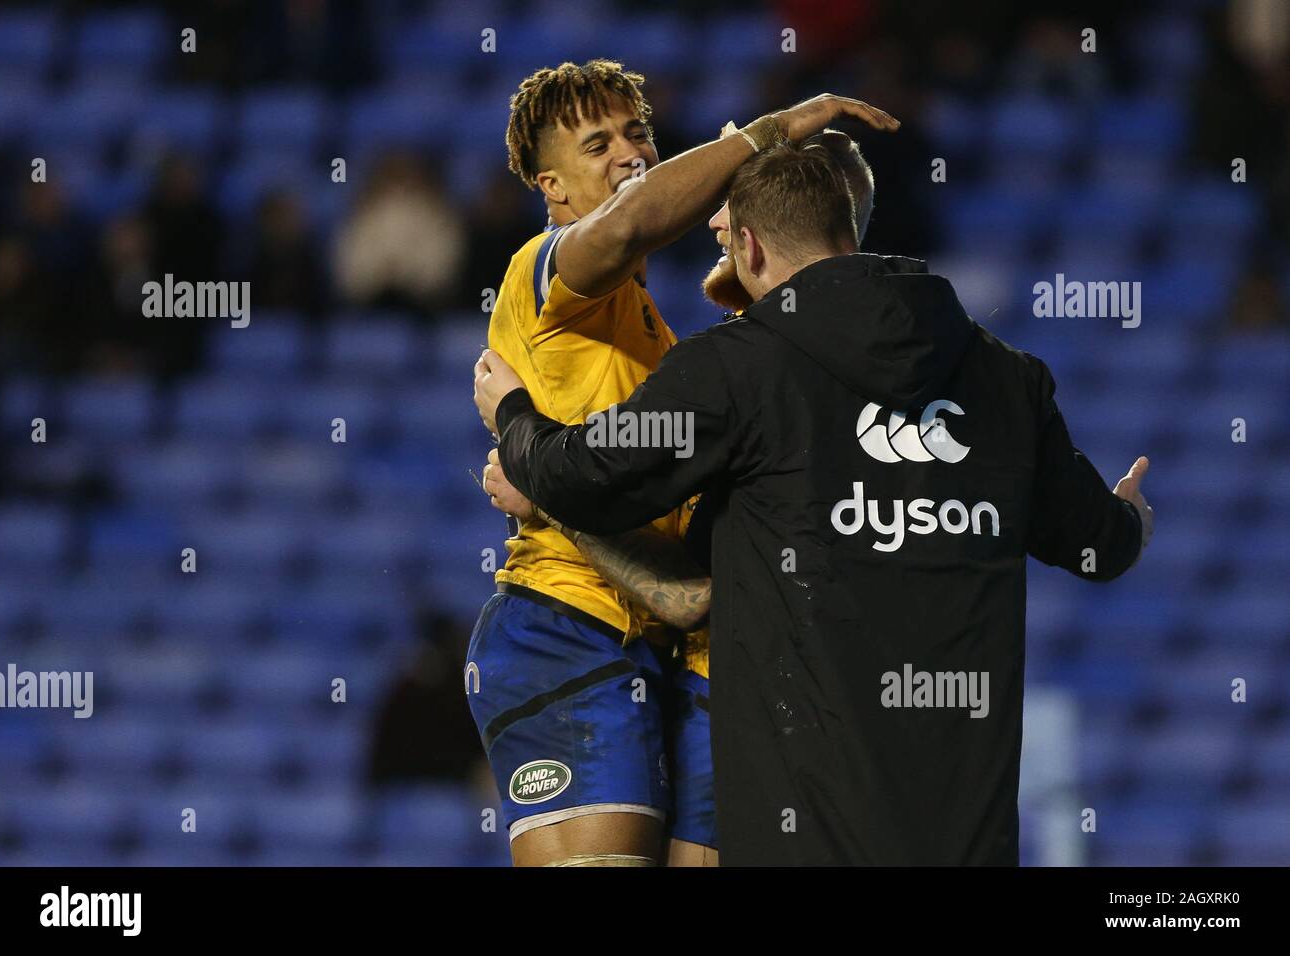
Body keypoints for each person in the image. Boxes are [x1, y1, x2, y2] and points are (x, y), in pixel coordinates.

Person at [475, 140, 1154, 865]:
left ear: (753, 247)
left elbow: (586, 475)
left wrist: (515, 418)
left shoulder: (737, 368)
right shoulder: (1010, 381)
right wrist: (1130, 519)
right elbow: (1099, 546)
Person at [464, 58, 898, 867]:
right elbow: (630, 225)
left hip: (672, 643)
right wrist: (766, 133)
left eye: (638, 134)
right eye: (598, 146)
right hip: (567, 623)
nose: (631, 153)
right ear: (552, 188)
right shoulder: (541, 272)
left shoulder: (666, 340)